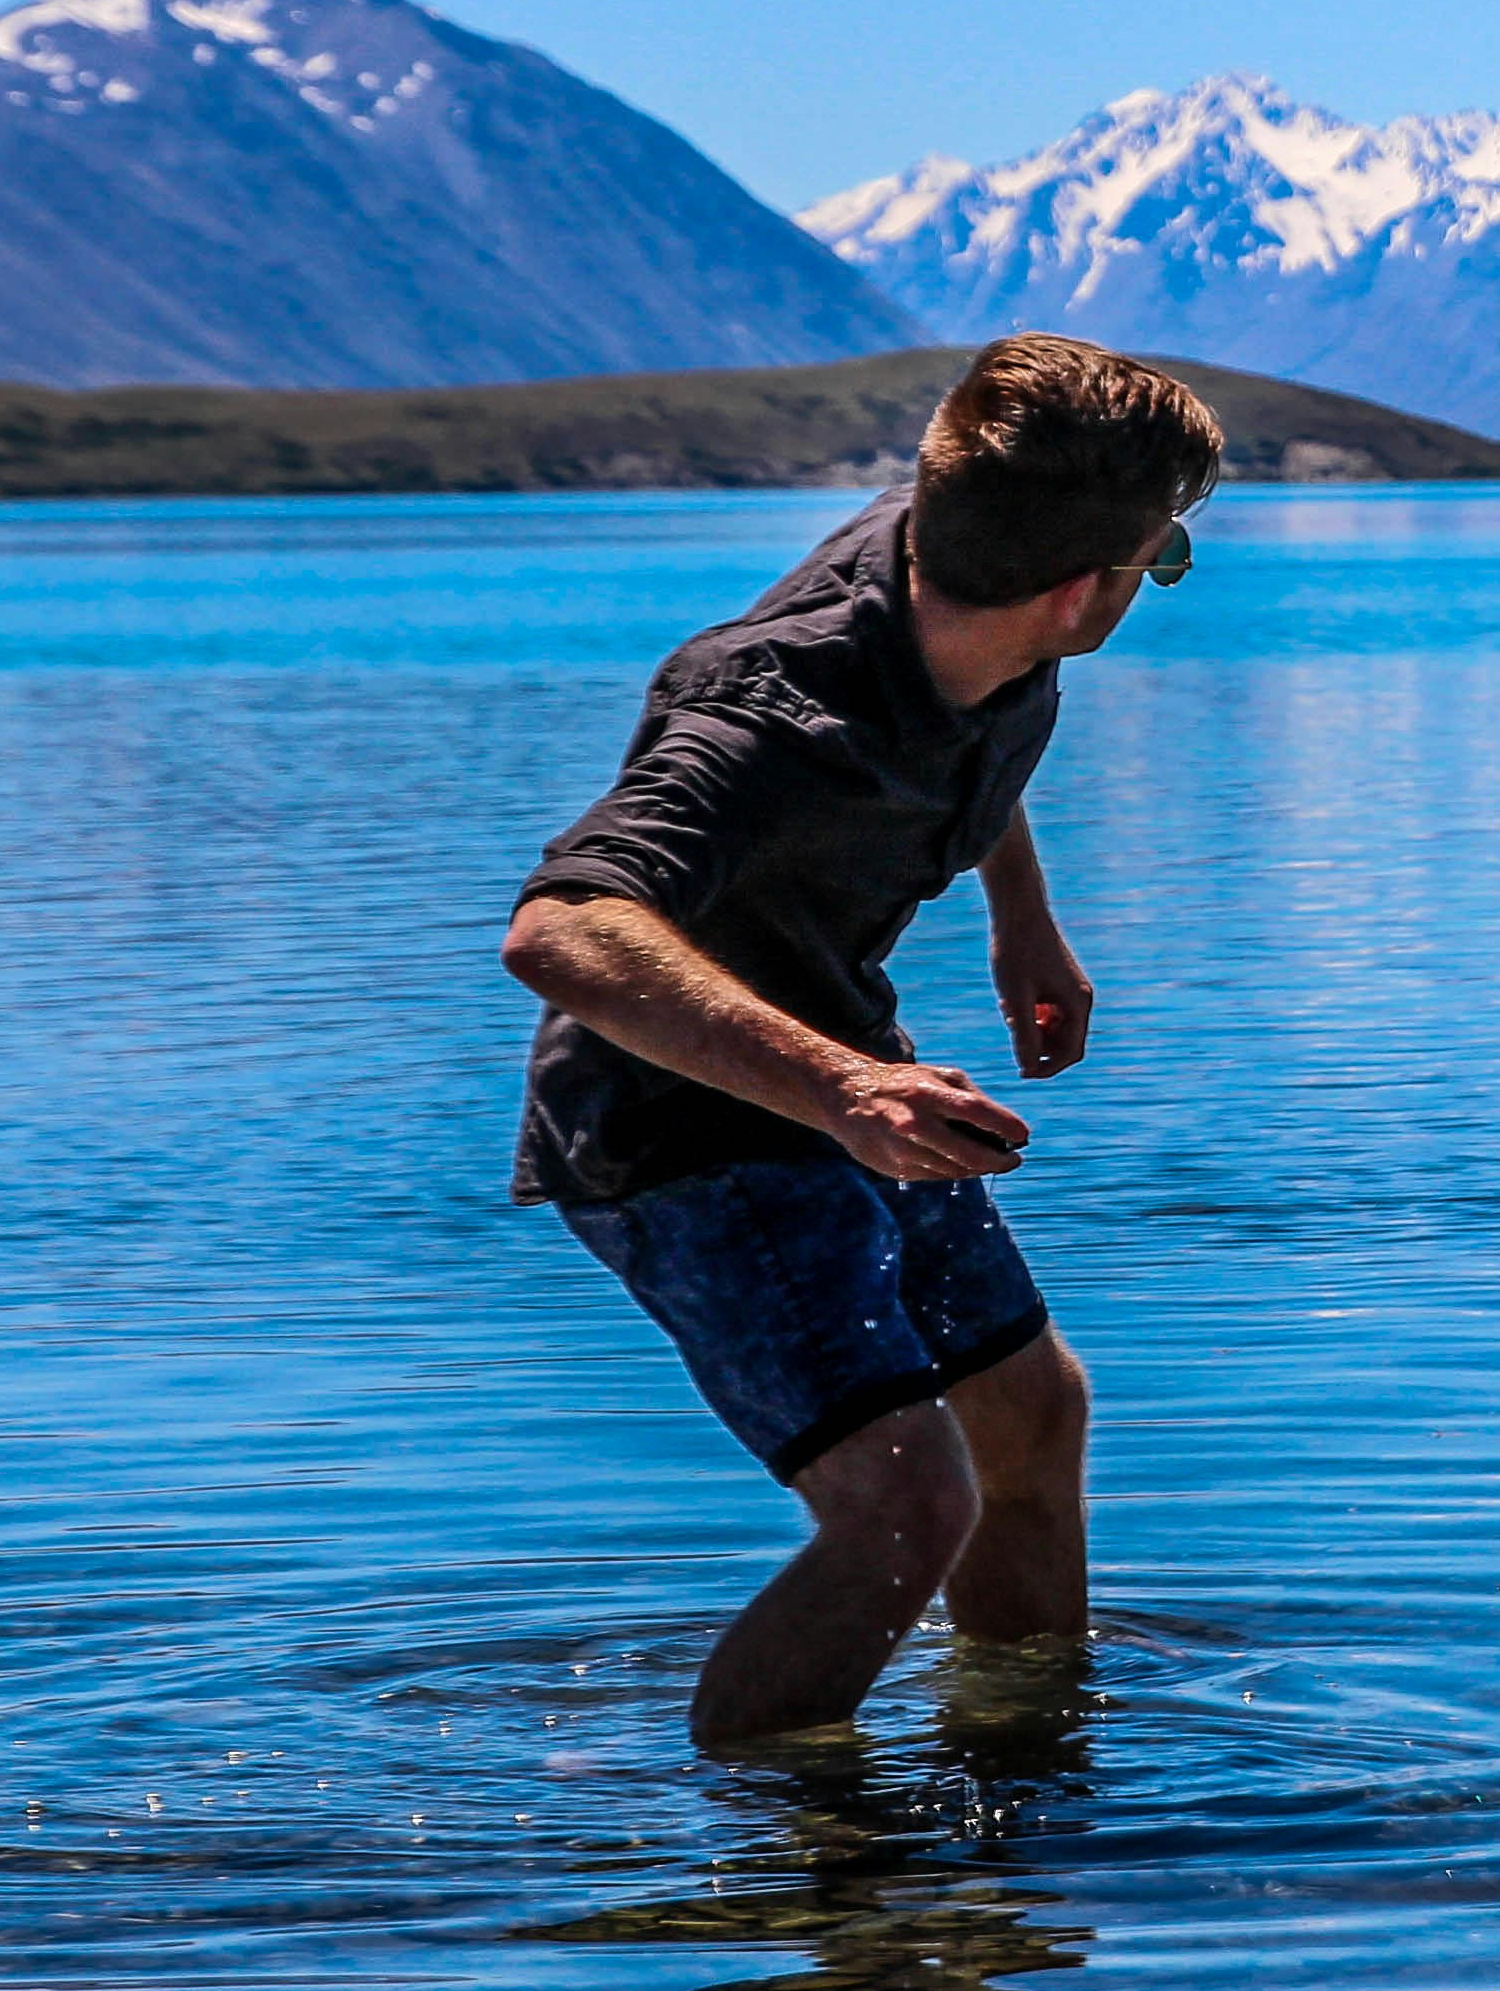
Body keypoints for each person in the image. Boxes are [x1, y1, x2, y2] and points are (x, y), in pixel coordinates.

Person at [501, 334, 1225, 1746]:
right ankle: (790, 1863)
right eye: (1168, 560)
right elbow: (559, 933)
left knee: (1031, 1416)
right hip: (677, 1133)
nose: (1162, 578)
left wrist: (1025, 920)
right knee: (905, 1510)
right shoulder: (762, 716)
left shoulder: (971, 573)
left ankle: (1020, 1768)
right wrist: (841, 1089)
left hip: (849, 1073)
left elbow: (981, 714)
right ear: (1088, 591)